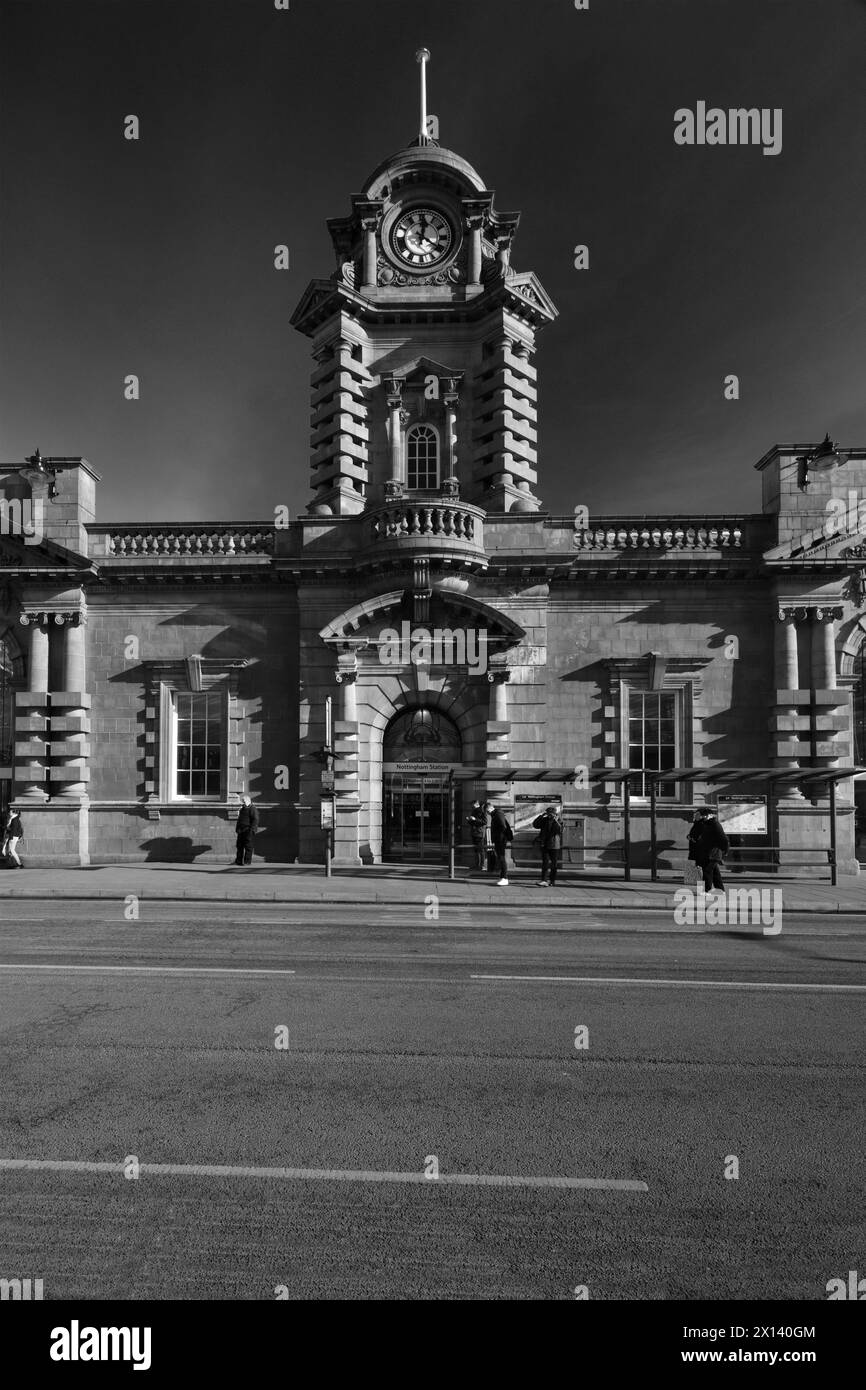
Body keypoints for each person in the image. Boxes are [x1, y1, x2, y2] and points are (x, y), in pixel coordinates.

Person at [693, 807, 729, 894]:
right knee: (715, 872)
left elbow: (724, 839)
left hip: (714, 853)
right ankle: (720, 890)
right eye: (702, 816)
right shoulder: (707, 824)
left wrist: (725, 850)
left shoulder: (715, 824)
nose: (703, 817)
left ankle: (706, 890)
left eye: (704, 816)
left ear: (710, 815)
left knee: (707, 871)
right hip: (708, 852)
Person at [532, 804, 563, 885]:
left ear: (555, 813)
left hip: (554, 845)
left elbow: (560, 830)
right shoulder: (544, 820)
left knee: (554, 864)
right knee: (545, 863)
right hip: (544, 844)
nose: (549, 815)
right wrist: (541, 816)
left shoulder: (559, 820)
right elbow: (535, 825)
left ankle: (552, 881)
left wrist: (555, 820)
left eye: (551, 813)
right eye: (548, 813)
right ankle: (544, 880)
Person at [485, 801, 513, 886]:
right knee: (501, 858)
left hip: (500, 840)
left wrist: (498, 836)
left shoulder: (498, 813)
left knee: (501, 858)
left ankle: (504, 878)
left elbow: (503, 826)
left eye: (487, 810)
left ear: (490, 808)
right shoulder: (496, 814)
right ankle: (503, 877)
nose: (487, 813)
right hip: (499, 839)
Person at [234, 794, 258, 866]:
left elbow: (255, 820)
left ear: (248, 801)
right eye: (242, 802)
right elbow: (239, 820)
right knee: (239, 846)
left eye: (244, 801)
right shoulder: (242, 809)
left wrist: (252, 830)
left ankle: (247, 861)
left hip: (248, 830)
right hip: (241, 830)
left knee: (248, 846)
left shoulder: (252, 808)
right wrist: (237, 828)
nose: (243, 803)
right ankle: (239, 861)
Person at [466, 800, 487, 871]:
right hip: (475, 832)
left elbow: (484, 822)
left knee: (480, 850)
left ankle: (482, 865)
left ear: (476, 804)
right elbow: (473, 823)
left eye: (473, 805)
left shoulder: (481, 811)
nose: (472, 806)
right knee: (476, 850)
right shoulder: (474, 811)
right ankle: (477, 865)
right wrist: (469, 820)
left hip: (479, 833)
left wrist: (475, 819)